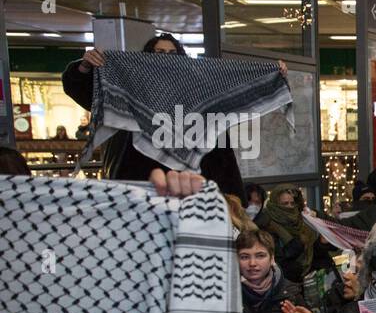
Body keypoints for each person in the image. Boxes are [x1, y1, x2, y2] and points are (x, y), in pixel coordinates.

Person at [61, 33, 246, 199]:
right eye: (159, 52)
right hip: (137, 186)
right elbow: (87, 93)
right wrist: (85, 67)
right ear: (146, 58)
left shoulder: (196, 98)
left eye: (172, 54)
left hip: (187, 188)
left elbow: (220, 150)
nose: (165, 59)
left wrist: (233, 197)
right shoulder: (129, 91)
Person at [255, 184, 321, 284]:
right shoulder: (266, 225)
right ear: (275, 204)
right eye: (285, 204)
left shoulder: (302, 221)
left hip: (309, 280)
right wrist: (300, 243)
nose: (289, 207)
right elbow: (277, 258)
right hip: (283, 283)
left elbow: (314, 250)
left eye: (292, 203)